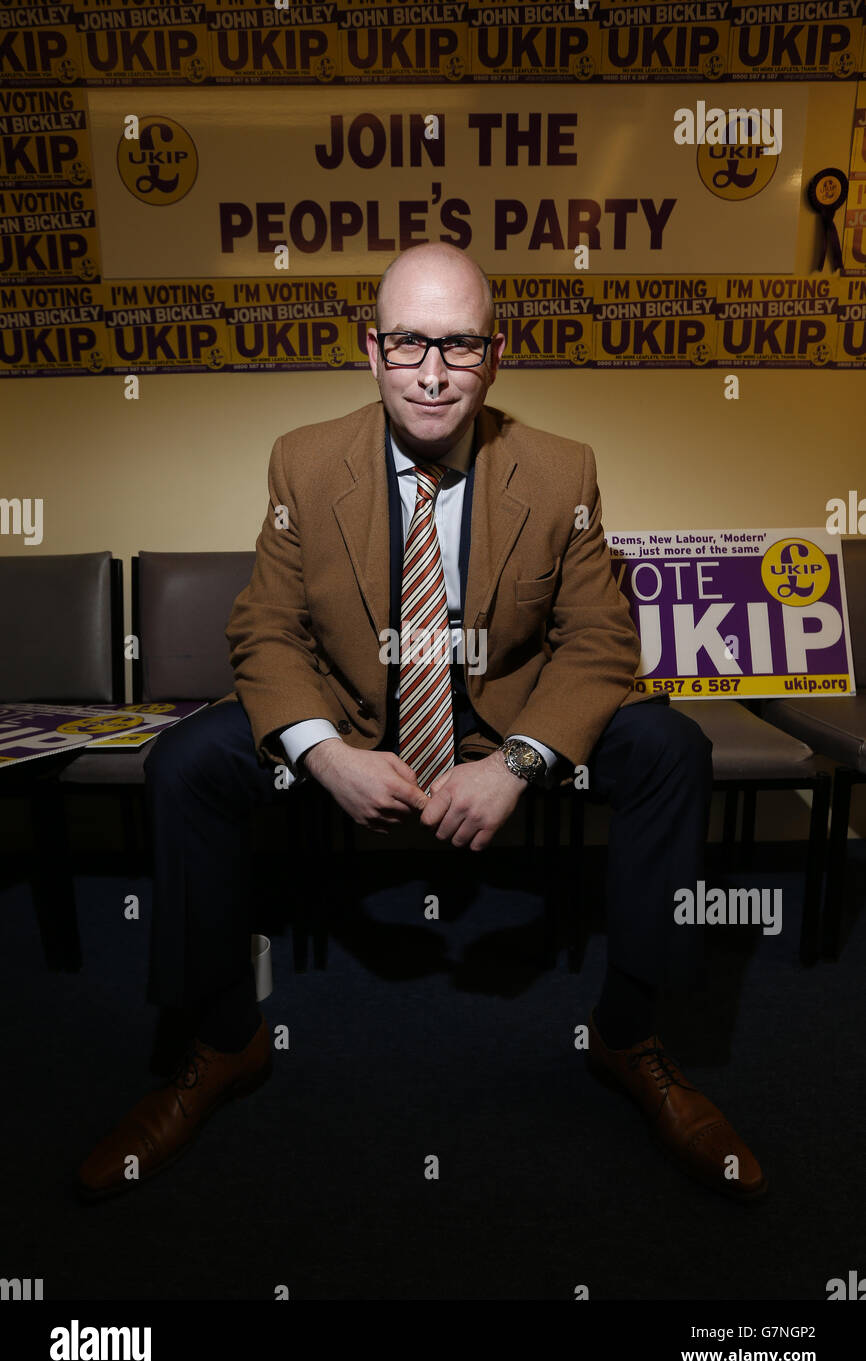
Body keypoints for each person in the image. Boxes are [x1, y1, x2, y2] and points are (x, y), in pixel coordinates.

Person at [77, 243, 766, 1203]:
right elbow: (265, 630)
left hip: (503, 726)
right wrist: (325, 757)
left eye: (458, 345)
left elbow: (603, 639)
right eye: (408, 343)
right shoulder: (304, 463)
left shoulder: (561, 470)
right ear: (372, 350)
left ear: (496, 354)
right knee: (187, 760)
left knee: (669, 748)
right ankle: (224, 1042)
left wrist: (520, 764)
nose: (434, 373)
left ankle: (629, 1036)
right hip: (352, 716)